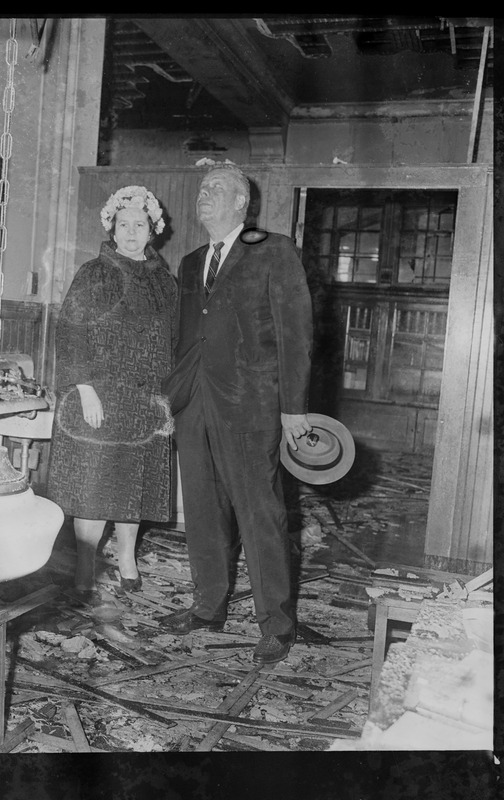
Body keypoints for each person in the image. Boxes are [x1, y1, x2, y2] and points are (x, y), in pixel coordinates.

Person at [161, 163, 314, 664]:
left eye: (216, 190)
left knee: (259, 513)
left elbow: (296, 336)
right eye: (201, 188)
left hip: (251, 405)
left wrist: (293, 409)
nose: (203, 196)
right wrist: (172, 396)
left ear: (242, 203)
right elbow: (184, 339)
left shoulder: (274, 251)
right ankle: (209, 606)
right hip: (195, 403)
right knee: (202, 511)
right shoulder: (189, 263)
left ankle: (278, 624)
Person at [46, 185, 178, 606]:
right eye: (124, 224)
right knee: (95, 485)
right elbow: (70, 330)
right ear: (112, 227)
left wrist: (166, 398)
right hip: (97, 397)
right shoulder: (93, 273)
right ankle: (85, 565)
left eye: (140, 224)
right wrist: (84, 389)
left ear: (153, 230)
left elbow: (175, 339)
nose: (131, 232)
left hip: (144, 399)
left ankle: (126, 561)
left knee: (131, 484)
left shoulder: (164, 281)